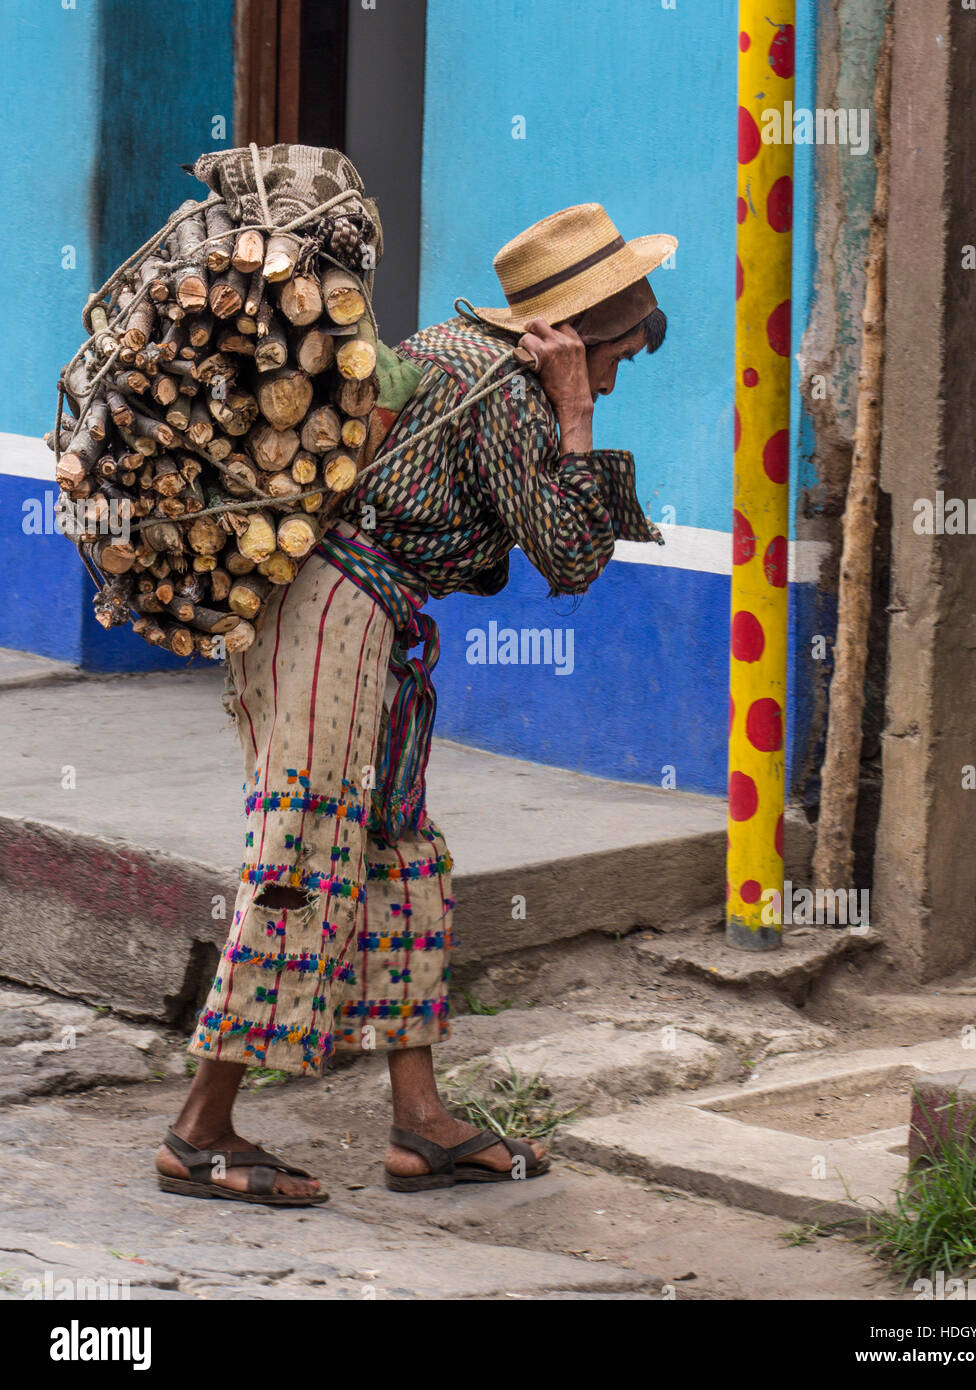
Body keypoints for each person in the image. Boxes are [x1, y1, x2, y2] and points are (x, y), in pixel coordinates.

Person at [156, 201, 676, 1204]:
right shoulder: (511, 391)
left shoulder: (458, 351)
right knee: (300, 859)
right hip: (335, 620)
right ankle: (200, 1128)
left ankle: (420, 1124)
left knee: (400, 863)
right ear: (574, 336)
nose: (615, 374)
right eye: (614, 353)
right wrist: (576, 415)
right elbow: (569, 558)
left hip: (363, 622)